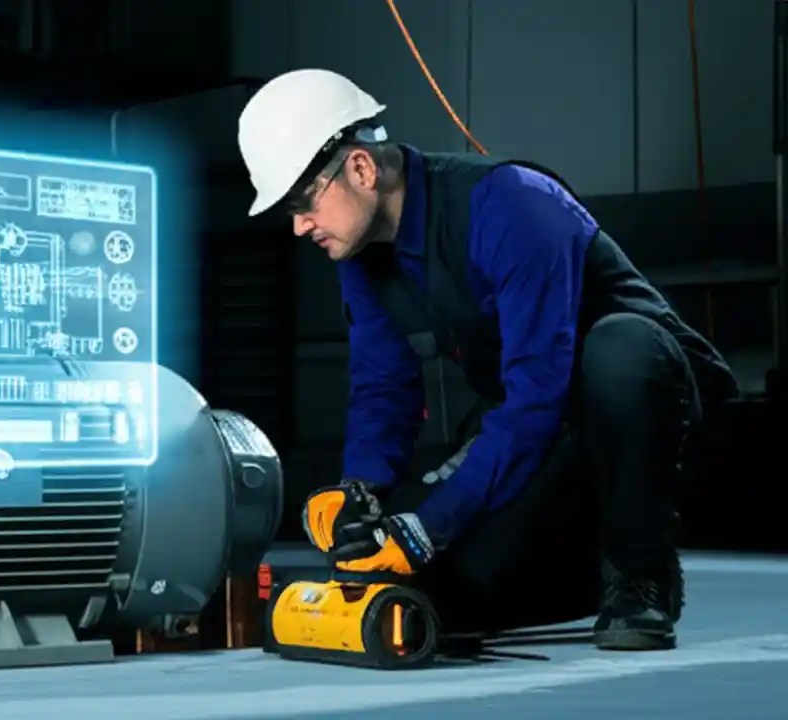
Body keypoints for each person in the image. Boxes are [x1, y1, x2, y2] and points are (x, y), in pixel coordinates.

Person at [237, 68, 739, 651]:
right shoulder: (360, 254)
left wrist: (431, 525)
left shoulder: (511, 204)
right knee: (442, 590)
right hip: (551, 428)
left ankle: (640, 576)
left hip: (655, 417)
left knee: (619, 350)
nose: (299, 226)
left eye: (302, 202)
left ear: (361, 168)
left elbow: (537, 391)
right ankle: (583, 572)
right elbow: (384, 384)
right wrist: (359, 487)